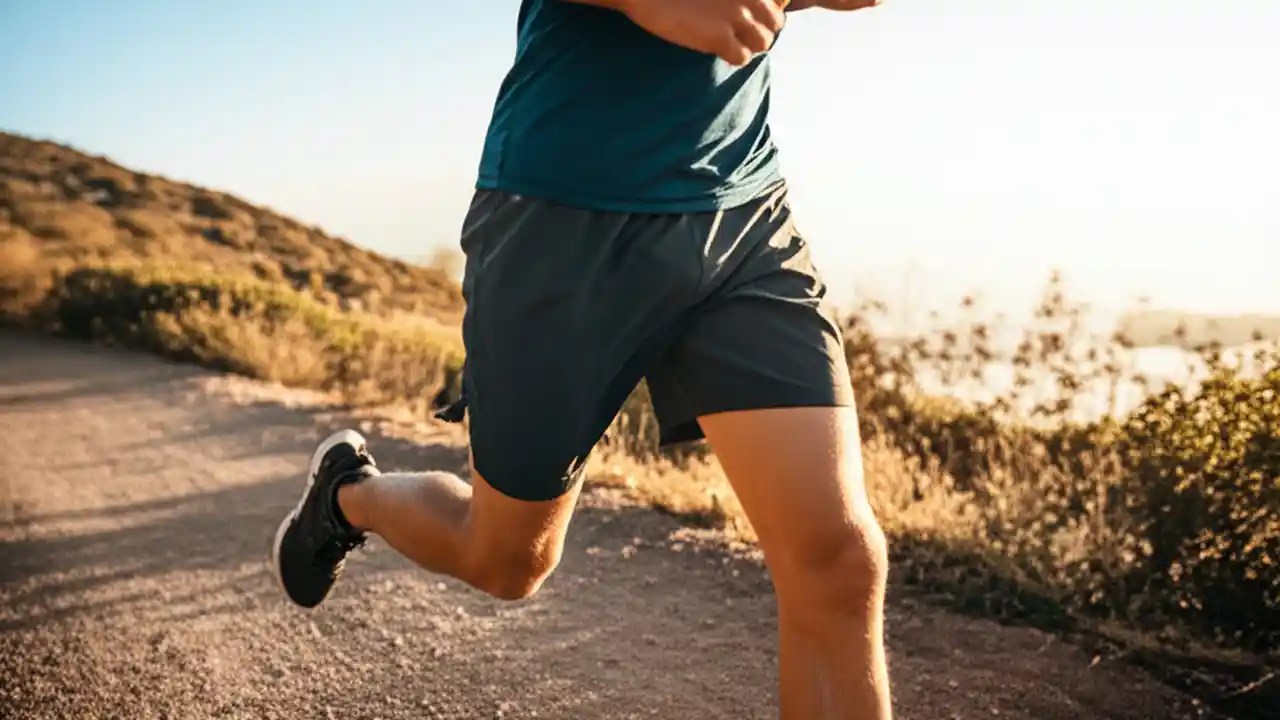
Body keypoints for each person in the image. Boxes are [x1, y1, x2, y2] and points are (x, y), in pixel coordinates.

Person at [272, 0, 892, 717]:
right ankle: (347, 497)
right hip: (560, 213)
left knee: (839, 562)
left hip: (741, 216)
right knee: (508, 559)